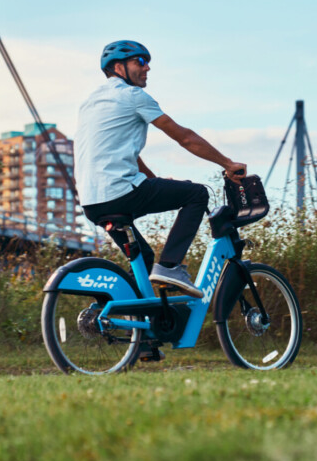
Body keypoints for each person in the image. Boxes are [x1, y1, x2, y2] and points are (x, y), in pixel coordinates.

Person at [74, 40, 247, 298]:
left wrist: (154, 181)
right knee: (196, 194)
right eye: (140, 62)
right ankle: (170, 266)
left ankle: (136, 327)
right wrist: (228, 164)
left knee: (142, 258)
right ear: (118, 67)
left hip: (91, 202)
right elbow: (184, 137)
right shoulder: (133, 96)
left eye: (148, 63)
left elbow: (123, 153)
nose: (147, 68)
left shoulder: (90, 103)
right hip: (121, 192)